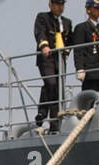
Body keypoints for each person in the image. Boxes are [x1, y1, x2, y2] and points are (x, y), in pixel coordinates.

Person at [33, 0, 73, 133]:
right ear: (50, 5)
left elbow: (70, 40)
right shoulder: (43, 17)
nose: (59, 7)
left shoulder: (67, 22)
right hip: (47, 58)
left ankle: (53, 124)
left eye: (61, 4)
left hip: (60, 59)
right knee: (51, 83)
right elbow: (40, 32)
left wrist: (66, 52)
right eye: (56, 4)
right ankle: (43, 114)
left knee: (58, 89)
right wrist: (44, 45)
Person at [72, 1, 99, 95]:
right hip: (91, 72)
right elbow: (78, 50)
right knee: (90, 101)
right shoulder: (82, 27)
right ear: (88, 10)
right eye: (96, 8)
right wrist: (79, 68)